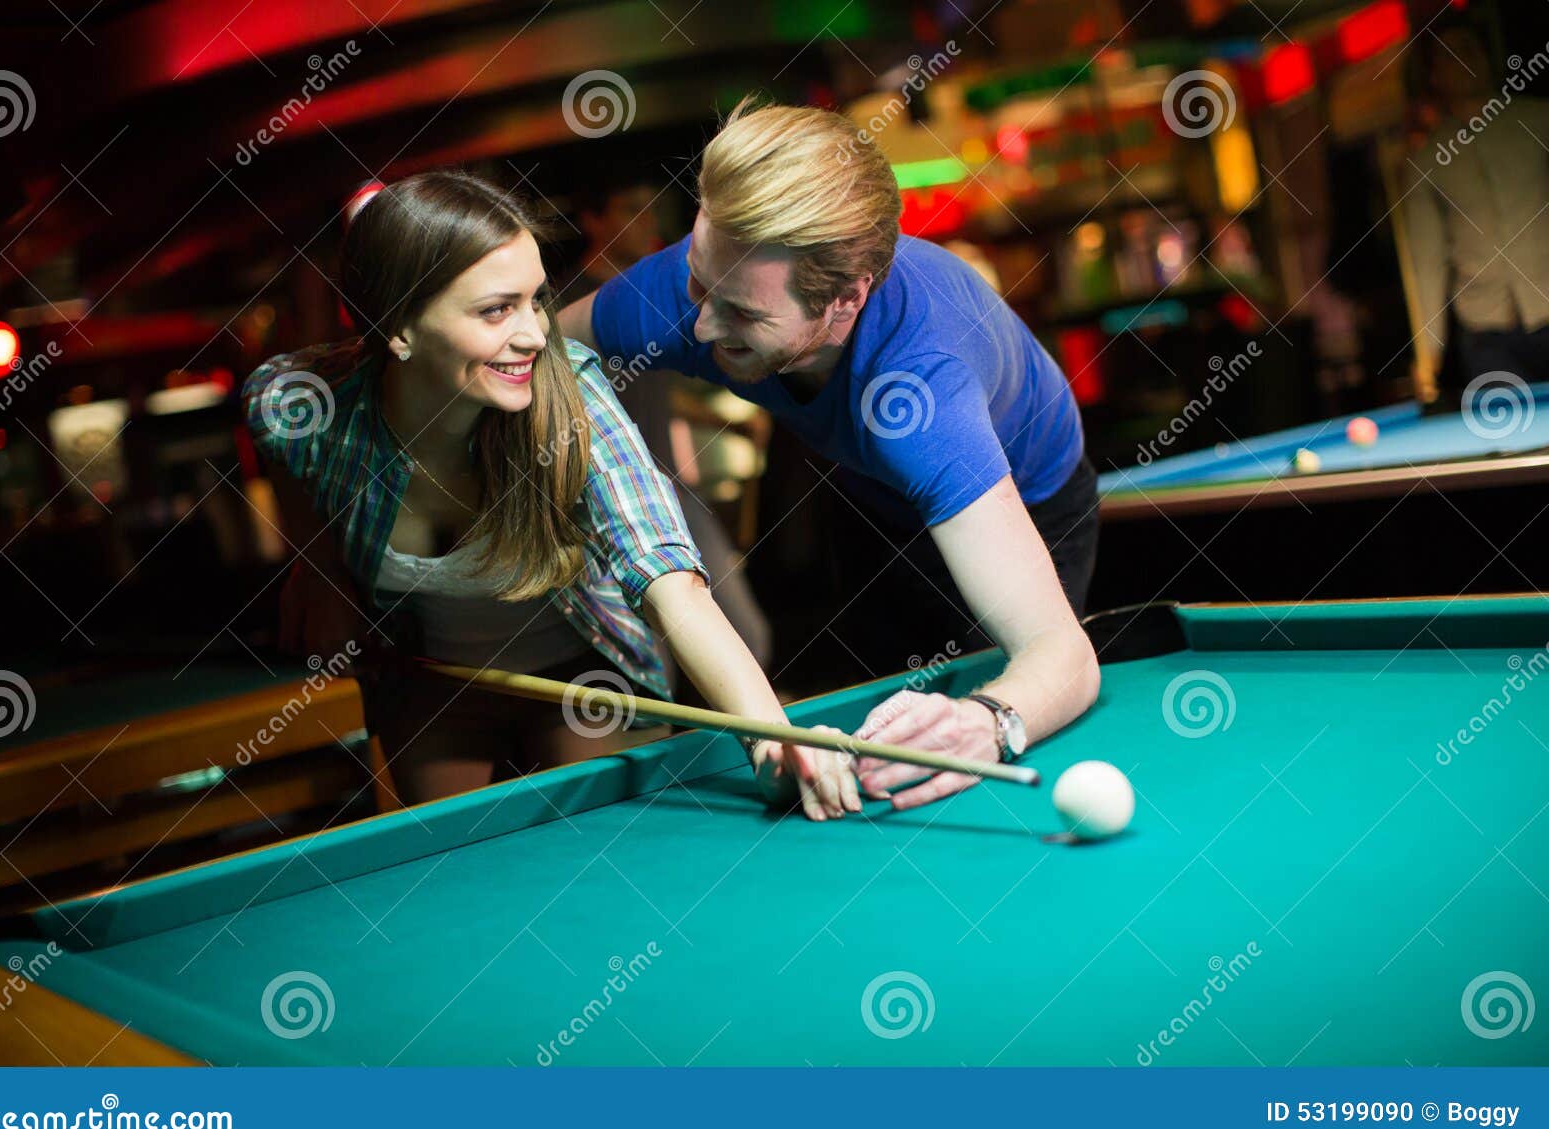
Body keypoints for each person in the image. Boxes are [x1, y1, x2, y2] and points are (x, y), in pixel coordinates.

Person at [242, 170, 856, 820]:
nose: (536, 333)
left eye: (535, 299)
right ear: (399, 326)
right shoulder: (296, 408)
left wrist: (773, 735)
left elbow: (668, 576)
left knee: (605, 864)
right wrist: (319, 570)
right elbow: (291, 465)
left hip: (587, 668)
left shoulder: (573, 395)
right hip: (434, 677)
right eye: (495, 309)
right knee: (455, 875)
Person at [559, 99, 1101, 810]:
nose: (697, 323)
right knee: (866, 737)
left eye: (743, 314)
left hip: (1026, 500)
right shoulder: (711, 275)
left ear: (844, 302)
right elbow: (542, 355)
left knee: (952, 759)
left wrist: (988, 721)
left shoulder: (924, 393)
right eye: (698, 281)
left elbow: (1064, 657)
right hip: (869, 492)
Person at [559, 180, 772, 676]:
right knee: (654, 663)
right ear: (593, 221)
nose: (648, 222)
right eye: (631, 207)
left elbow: (650, 393)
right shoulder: (568, 305)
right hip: (600, 501)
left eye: (651, 210)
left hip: (673, 487)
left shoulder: (655, 293)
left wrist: (722, 421)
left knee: (750, 638)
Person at [1401, 20, 1549, 398]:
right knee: (1511, 449)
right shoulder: (1427, 160)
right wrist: (1427, 353)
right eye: (1450, 55)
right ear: (1433, 75)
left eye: (1470, 48)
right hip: (1486, 335)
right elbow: (1426, 261)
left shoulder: (1540, 120)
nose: (1464, 60)